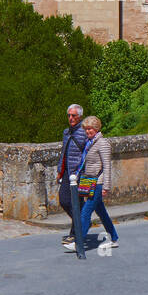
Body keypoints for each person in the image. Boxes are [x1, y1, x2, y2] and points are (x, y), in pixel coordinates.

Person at [65, 115, 119, 255]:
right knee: (101, 212)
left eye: (90, 129)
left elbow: (107, 166)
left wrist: (106, 186)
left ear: (96, 128)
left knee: (85, 212)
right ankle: (114, 238)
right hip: (89, 181)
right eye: (86, 129)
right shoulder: (90, 143)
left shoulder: (102, 143)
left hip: (98, 183)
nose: (88, 131)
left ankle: (78, 243)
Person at [57, 104, 88, 252]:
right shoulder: (66, 132)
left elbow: (88, 154)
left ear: (80, 116)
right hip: (66, 174)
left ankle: (75, 234)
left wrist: (82, 172)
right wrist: (59, 171)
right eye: (69, 115)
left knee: (77, 203)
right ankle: (81, 223)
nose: (70, 118)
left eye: (73, 116)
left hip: (79, 175)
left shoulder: (84, 132)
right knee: (63, 200)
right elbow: (63, 153)